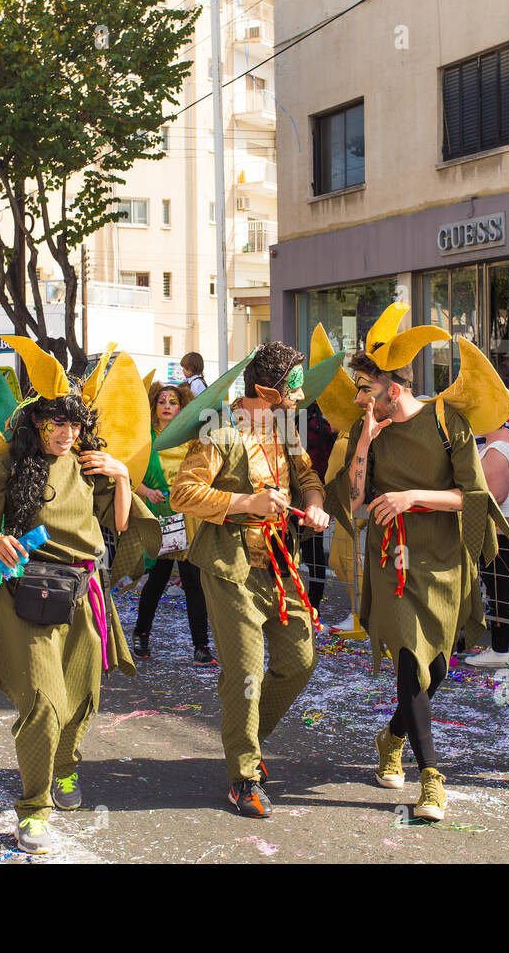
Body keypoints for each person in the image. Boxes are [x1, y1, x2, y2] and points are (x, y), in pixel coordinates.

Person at [329, 343, 507, 823]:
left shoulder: (447, 421)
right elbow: (355, 500)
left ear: (396, 388)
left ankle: (392, 736)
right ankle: (431, 779)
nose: (362, 397)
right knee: (410, 658)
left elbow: (473, 495)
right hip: (393, 558)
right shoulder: (364, 428)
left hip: (446, 558)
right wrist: (364, 442)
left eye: (368, 390)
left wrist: (410, 496)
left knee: (438, 668)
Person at [0, 389, 140, 854]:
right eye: (57, 423)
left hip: (83, 595)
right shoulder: (7, 467)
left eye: (75, 425)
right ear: (34, 422)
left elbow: (119, 526)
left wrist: (121, 477)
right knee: (43, 702)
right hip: (26, 596)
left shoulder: (89, 465)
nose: (67, 434)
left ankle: (65, 766)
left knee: (80, 699)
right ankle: (34, 810)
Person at [171, 341, 329, 819]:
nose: (300, 398)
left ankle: (245, 742)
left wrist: (316, 502)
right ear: (266, 390)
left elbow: (308, 476)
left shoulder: (286, 428)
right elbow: (183, 492)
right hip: (229, 566)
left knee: (300, 660)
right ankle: (244, 775)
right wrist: (247, 504)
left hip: (280, 563)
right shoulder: (220, 429)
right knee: (243, 673)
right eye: (293, 390)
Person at [133, 382, 215, 665]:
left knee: (194, 581)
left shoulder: (191, 438)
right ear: (154, 405)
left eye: (174, 401)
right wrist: (148, 493)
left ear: (182, 406)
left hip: (189, 517)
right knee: (156, 579)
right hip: (160, 516)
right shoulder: (144, 438)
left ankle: (201, 646)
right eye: (162, 401)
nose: (167, 405)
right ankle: (141, 634)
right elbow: (131, 477)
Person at [465, 423, 509, 668]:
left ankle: (501, 648)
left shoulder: (497, 447)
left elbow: (496, 495)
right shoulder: (507, 438)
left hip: (500, 527)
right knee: (507, 583)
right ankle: (507, 647)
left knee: (500, 584)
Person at [301, 403, 337, 610]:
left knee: (302, 553)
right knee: (314, 554)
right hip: (319, 493)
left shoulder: (303, 425)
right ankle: (313, 603)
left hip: (302, 495)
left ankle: (307, 602)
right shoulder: (324, 426)